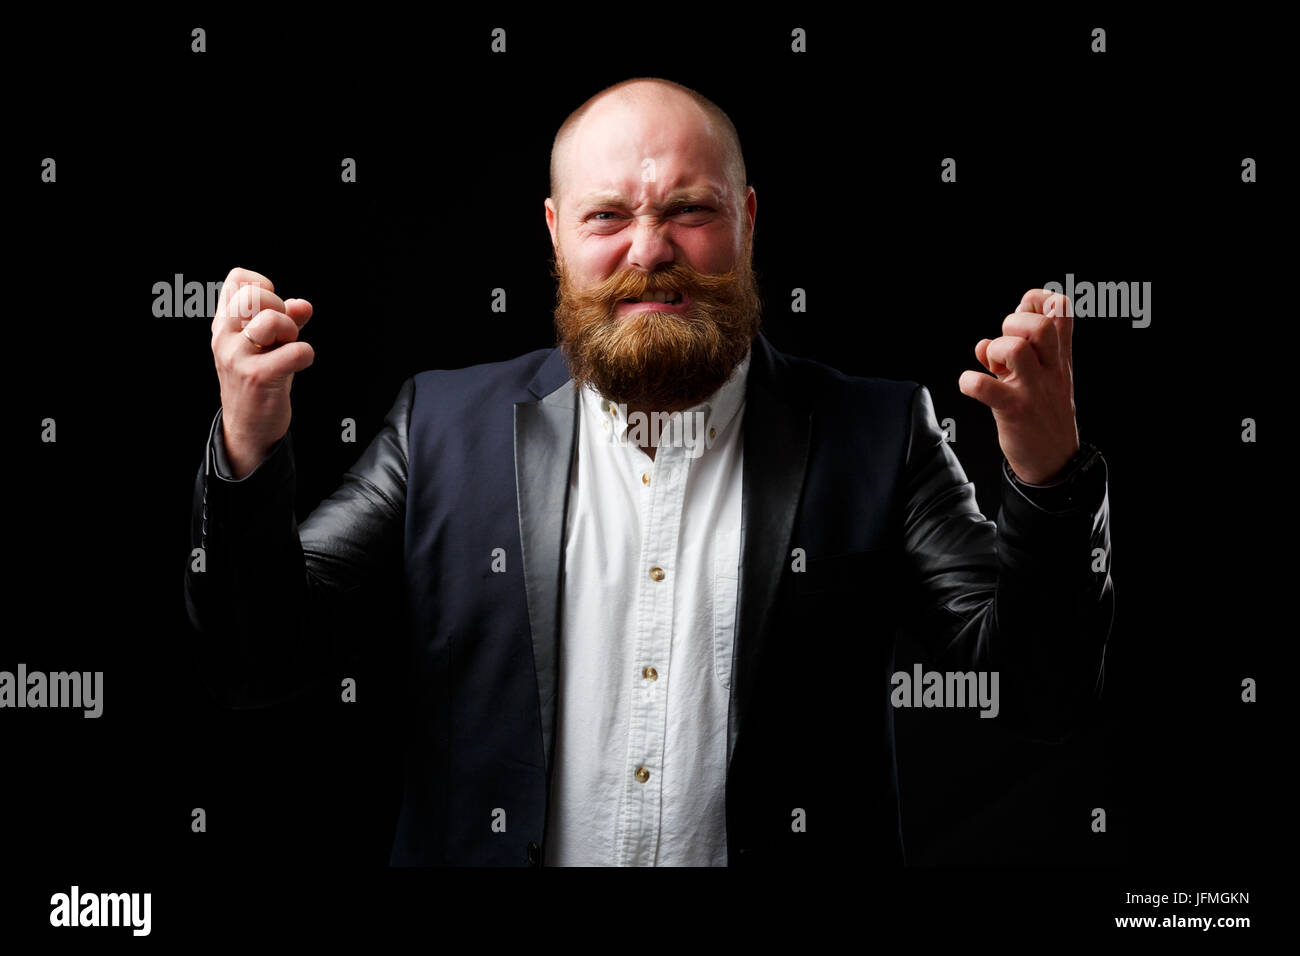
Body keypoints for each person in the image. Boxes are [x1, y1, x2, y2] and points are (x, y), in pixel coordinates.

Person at [185, 76, 1114, 867]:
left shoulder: (879, 433)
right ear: (554, 234)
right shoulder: (439, 428)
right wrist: (248, 449)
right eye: (606, 216)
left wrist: (1046, 475)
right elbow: (256, 660)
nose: (649, 249)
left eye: (689, 209)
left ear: (746, 219)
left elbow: (1040, 692)